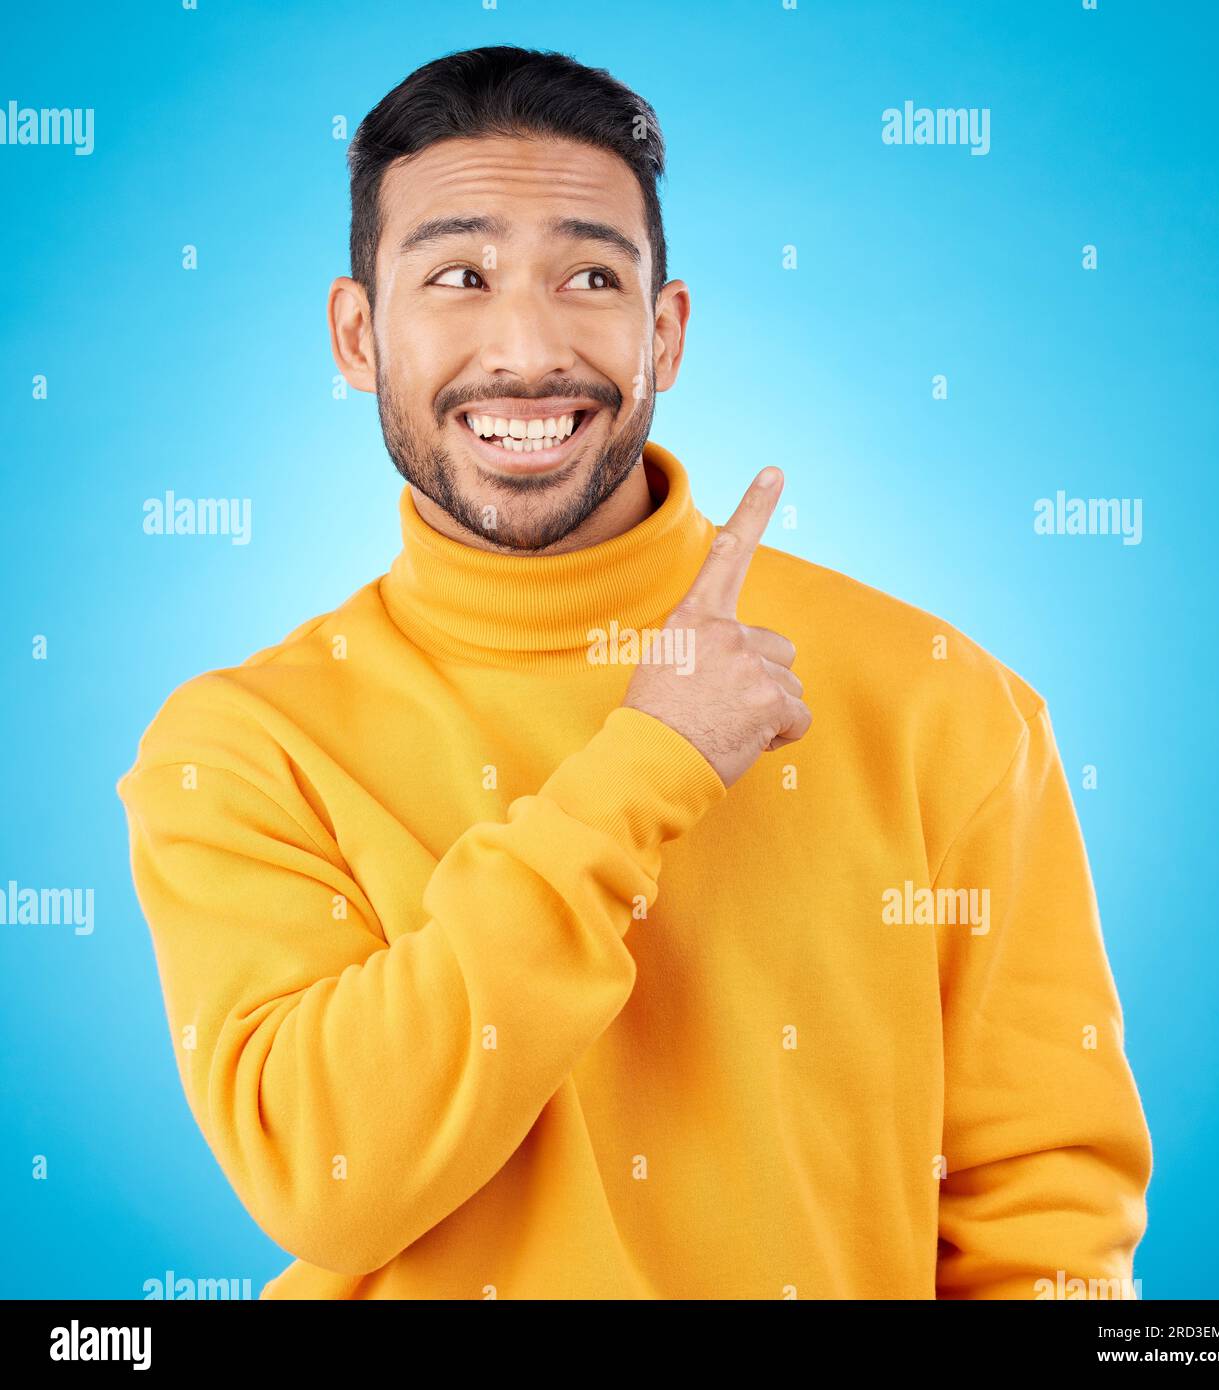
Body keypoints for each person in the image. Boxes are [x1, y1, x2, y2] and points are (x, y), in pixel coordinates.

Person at [117, 45, 1151, 1300]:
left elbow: (1045, 1210)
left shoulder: (939, 698)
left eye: (590, 276)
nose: (527, 347)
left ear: (663, 332)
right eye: (457, 274)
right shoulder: (240, 747)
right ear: (357, 334)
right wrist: (646, 764)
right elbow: (328, 1175)